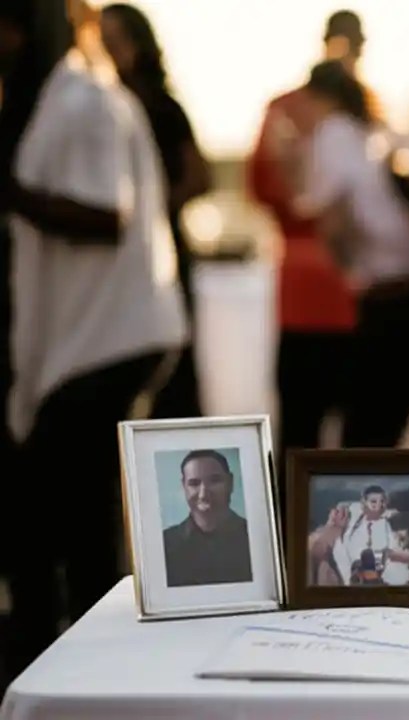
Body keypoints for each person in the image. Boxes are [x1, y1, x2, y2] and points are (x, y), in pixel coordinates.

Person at [1, 0, 187, 675]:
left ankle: (93, 671)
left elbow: (106, 214)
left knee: (74, 522)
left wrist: (11, 192)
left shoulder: (82, 103)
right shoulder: (78, 97)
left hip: (107, 337)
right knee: (70, 515)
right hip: (104, 334)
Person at [295, 60, 409, 453]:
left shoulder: (334, 135)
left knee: (369, 439)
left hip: (386, 295)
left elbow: (333, 218)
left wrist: (348, 269)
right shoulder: (387, 132)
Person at [247, 10, 363, 507]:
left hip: (353, 293)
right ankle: (294, 546)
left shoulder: (366, 108)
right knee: (302, 428)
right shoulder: (290, 109)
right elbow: (261, 185)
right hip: (311, 293)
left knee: (355, 430)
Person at [99, 3, 212, 420]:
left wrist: (148, 211)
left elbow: (200, 177)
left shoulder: (158, 105)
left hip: (161, 255)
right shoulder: (100, 104)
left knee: (173, 376)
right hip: (117, 260)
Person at [162, 450, 253, 587]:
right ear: (184, 487)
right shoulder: (164, 544)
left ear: (230, 482)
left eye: (214, 481)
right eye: (194, 483)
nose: (203, 494)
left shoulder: (255, 538)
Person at [333, 485, 403, 585]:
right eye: (373, 502)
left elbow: (392, 548)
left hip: (379, 571)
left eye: (382, 501)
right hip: (355, 571)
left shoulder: (385, 524)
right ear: (365, 502)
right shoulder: (354, 522)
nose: (378, 505)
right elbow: (344, 547)